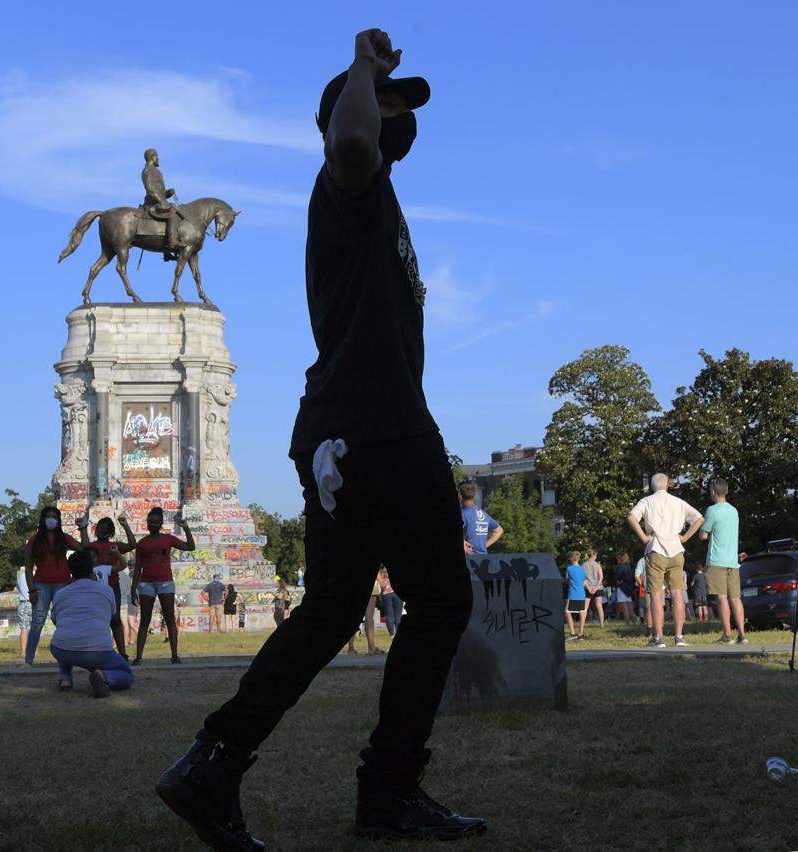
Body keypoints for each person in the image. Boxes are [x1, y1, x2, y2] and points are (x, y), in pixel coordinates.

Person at [156, 29, 483, 846]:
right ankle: (389, 789)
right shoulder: (349, 181)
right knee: (441, 600)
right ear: (351, 116)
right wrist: (363, 69)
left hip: (347, 428)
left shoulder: (380, 201)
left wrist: (373, 89)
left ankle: (214, 763)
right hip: (380, 428)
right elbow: (349, 135)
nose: (403, 112)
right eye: (393, 101)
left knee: (334, 607)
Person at [627, 473, 704, 648]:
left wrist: (644, 537)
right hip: (676, 551)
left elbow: (631, 517)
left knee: (656, 594)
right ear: (667, 485)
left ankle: (658, 637)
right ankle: (679, 636)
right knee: (677, 593)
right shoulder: (678, 502)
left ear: (652, 486)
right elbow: (699, 518)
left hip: (655, 549)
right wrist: (684, 537)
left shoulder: (646, 501)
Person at [49, 550, 134, 697]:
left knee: (65, 636)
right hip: (97, 652)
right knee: (126, 674)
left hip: (62, 649)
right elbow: (111, 615)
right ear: (92, 567)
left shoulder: (60, 593)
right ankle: (104, 676)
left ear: (70, 571)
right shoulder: (106, 591)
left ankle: (65, 679)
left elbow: (56, 620)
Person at [130, 507, 196, 664]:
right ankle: (138, 656)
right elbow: (138, 566)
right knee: (144, 620)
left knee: (170, 619)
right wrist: (134, 589)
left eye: (155, 522)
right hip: (146, 583)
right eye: (150, 521)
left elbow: (190, 547)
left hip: (165, 582)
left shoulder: (168, 539)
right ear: (147, 523)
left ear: (161, 523)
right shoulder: (142, 543)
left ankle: (174, 655)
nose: (152, 524)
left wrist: (186, 528)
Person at [23, 506, 83, 665]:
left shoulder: (64, 538)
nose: (51, 519)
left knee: (63, 621)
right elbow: (28, 567)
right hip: (40, 585)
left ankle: (72, 656)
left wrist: (82, 528)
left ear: (58, 520)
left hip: (62, 584)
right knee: (37, 622)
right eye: (48, 516)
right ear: (43, 520)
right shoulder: (34, 540)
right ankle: (28, 660)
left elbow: (84, 550)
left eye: (54, 517)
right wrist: (31, 590)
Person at [78, 514, 136, 657]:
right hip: (94, 588)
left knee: (115, 619)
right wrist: (83, 528)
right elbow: (84, 546)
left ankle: (122, 652)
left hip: (112, 586)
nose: (102, 531)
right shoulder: (92, 546)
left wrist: (125, 525)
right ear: (96, 531)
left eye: (105, 529)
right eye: (100, 529)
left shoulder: (114, 546)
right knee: (97, 619)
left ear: (110, 531)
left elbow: (132, 545)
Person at [699, 479, 745, 644]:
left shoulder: (712, 510)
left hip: (717, 560)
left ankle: (727, 635)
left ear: (713, 492)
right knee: (736, 598)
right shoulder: (734, 511)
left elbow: (703, 535)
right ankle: (742, 634)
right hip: (732, 562)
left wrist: (707, 532)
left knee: (722, 597)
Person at [459, 483, 503, 555]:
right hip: (483, 559)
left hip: (469, 557)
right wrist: (484, 546)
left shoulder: (462, 514)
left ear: (460, 496)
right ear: (474, 496)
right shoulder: (484, 515)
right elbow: (499, 530)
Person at [347, 576, 382, 655]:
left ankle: (351, 648)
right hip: (370, 586)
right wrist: (382, 583)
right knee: (369, 617)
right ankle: (371, 648)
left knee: (354, 616)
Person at [563, 552, 588, 640]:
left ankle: (573, 633)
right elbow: (584, 581)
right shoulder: (582, 569)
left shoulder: (569, 568)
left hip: (572, 594)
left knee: (567, 612)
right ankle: (580, 634)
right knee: (582, 613)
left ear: (570, 558)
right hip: (581, 594)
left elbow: (567, 580)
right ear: (578, 559)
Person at [581, 550, 605, 628]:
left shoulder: (583, 565)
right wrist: (596, 587)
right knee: (599, 606)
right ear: (594, 555)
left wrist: (589, 588)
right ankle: (601, 624)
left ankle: (583, 624)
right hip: (598, 587)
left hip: (587, 587)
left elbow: (582, 578)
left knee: (585, 606)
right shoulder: (598, 565)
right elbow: (601, 578)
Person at [377, 568, 403, 636]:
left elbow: (380, 587)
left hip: (386, 595)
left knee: (389, 616)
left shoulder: (381, 575)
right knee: (398, 615)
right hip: (398, 594)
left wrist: (380, 597)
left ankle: (391, 634)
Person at [15, 566, 33, 661]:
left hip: (23, 603)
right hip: (34, 603)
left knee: (24, 629)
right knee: (35, 629)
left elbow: (18, 587)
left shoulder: (21, 576)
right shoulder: (37, 575)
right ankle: (35, 650)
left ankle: (23, 651)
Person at [614, 554, 636, 626]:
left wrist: (619, 581)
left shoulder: (621, 567)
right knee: (630, 606)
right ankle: (634, 622)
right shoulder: (629, 567)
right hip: (629, 588)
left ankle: (627, 623)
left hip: (622, 587)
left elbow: (619, 577)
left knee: (624, 606)